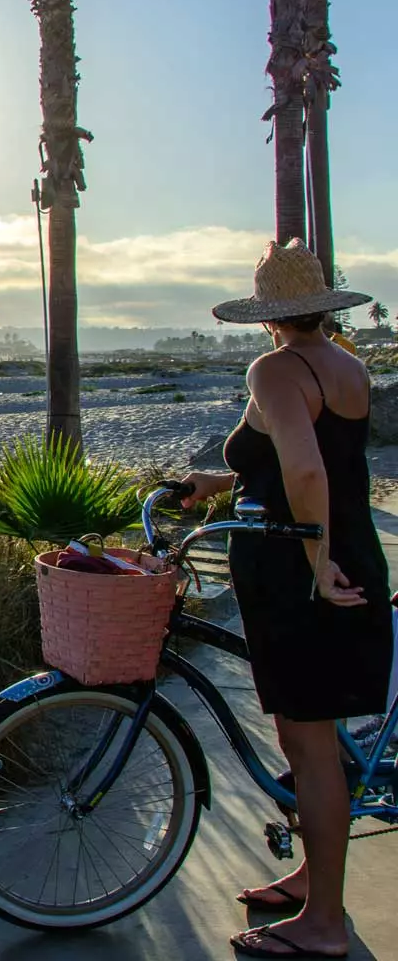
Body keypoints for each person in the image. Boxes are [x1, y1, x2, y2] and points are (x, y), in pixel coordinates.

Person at [180, 239, 387, 960]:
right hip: (342, 558)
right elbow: (301, 457)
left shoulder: (274, 367)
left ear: (270, 315)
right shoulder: (347, 368)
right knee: (313, 734)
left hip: (304, 577)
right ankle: (312, 879)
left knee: (310, 743)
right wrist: (216, 483)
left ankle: (325, 926)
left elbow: (305, 471)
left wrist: (319, 564)